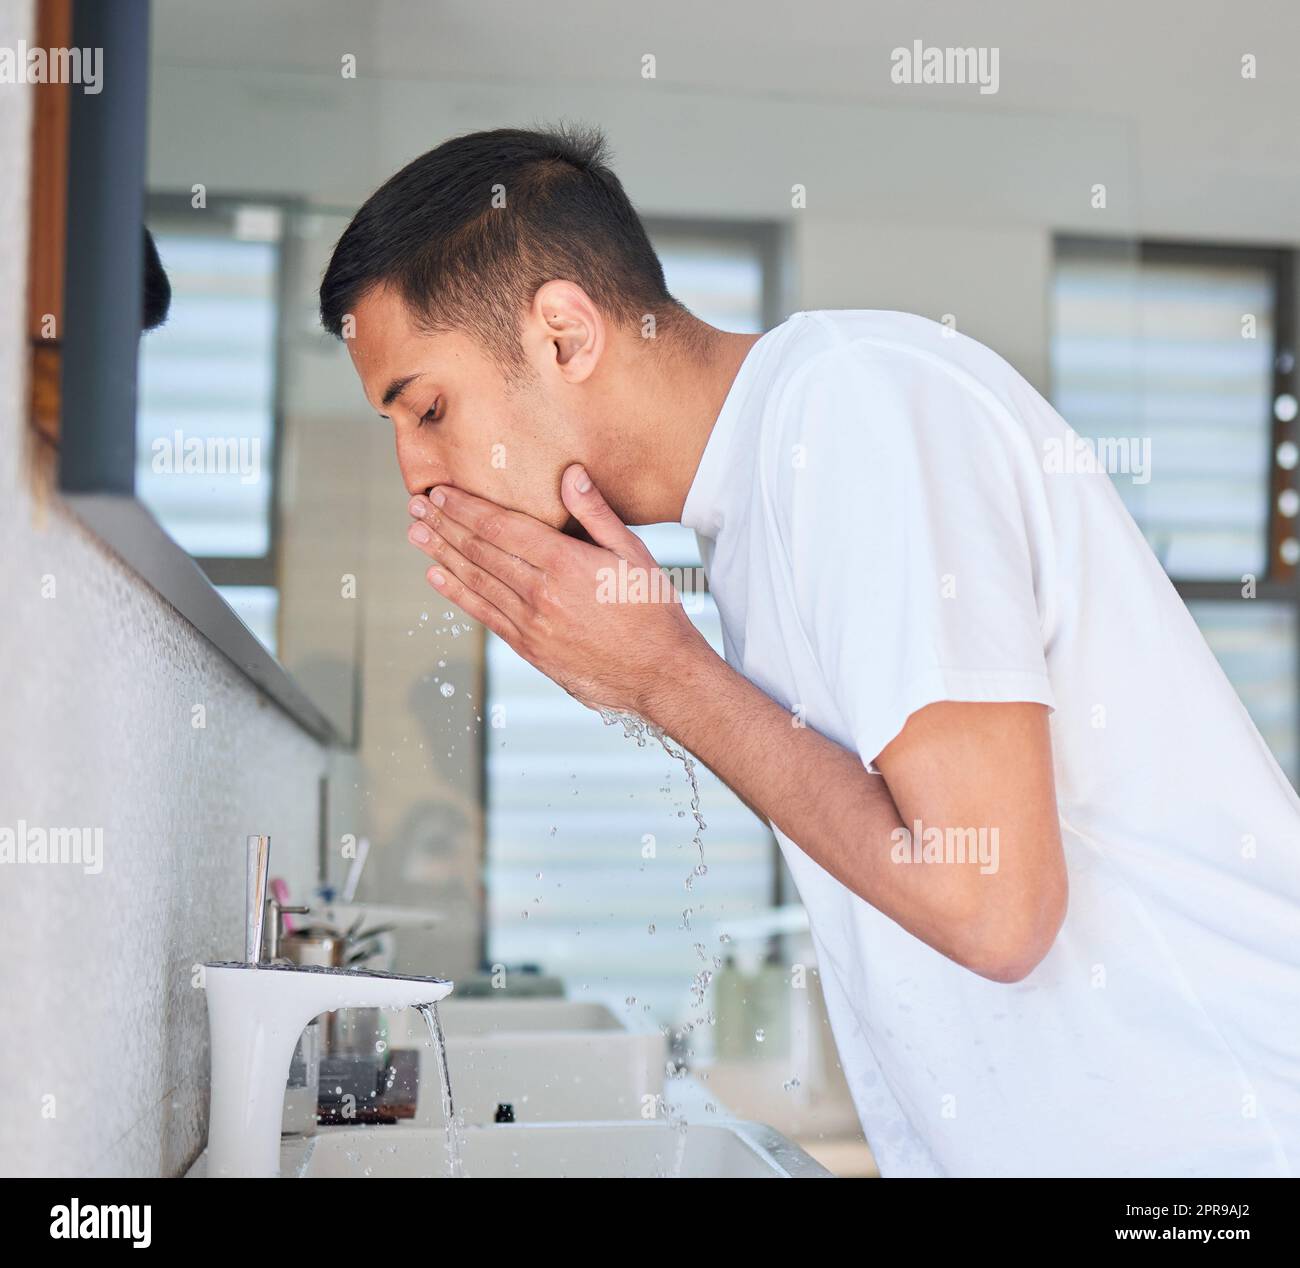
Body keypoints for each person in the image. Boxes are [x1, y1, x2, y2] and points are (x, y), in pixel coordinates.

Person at [319, 125, 1300, 1177]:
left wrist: (664, 673)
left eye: (426, 408)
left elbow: (994, 903)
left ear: (562, 334)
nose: (414, 473)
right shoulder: (758, 499)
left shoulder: (853, 414)